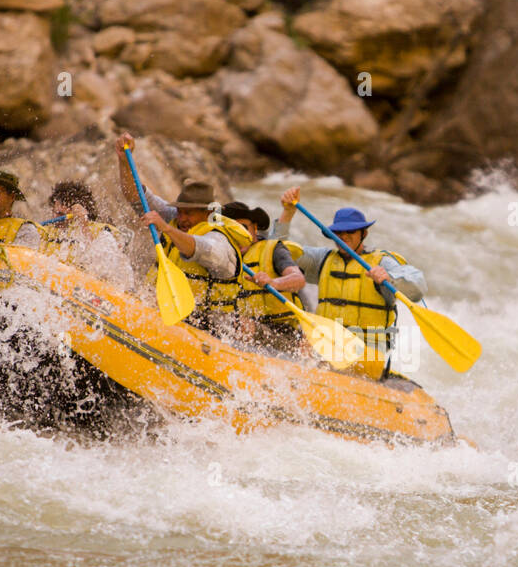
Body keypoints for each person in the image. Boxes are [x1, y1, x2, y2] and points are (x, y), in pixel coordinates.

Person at [277, 187, 425, 381]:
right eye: (339, 232)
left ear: (363, 234)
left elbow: (419, 286)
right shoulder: (322, 259)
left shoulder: (382, 262)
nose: (344, 237)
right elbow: (276, 253)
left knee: (319, 354)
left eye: (350, 232)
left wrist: (389, 279)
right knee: (304, 342)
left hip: (367, 355)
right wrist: (287, 213)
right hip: (328, 347)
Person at [114, 134, 251, 333]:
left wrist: (166, 229)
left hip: (210, 331)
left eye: (189, 213)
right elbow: (136, 195)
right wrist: (124, 161)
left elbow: (199, 248)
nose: (182, 218)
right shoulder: (175, 219)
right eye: (180, 211)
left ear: (209, 213)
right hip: (170, 319)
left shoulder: (220, 240)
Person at [223, 200, 310, 356]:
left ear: (255, 228)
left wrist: (273, 282)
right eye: (231, 230)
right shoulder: (224, 256)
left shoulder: (274, 249)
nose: (238, 235)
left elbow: (298, 279)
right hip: (246, 334)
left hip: (286, 335)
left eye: (243, 228)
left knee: (245, 324)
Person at [42, 181, 134, 291]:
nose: (54, 217)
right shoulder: (47, 231)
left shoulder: (102, 234)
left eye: (60, 215)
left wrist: (83, 224)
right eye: (54, 212)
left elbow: (101, 267)